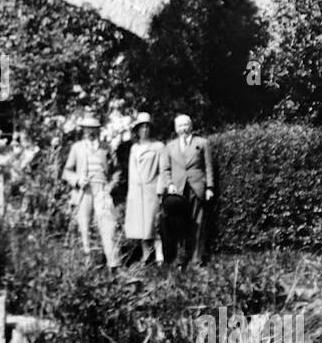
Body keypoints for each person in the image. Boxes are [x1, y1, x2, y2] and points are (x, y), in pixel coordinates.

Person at [62, 111, 119, 268]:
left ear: (98, 130)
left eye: (93, 128)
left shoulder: (106, 148)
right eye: (87, 128)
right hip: (84, 191)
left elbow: (117, 171)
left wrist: (110, 186)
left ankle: (112, 264)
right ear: (83, 130)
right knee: (84, 226)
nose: (90, 132)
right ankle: (88, 263)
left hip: (102, 190)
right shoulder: (77, 148)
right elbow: (66, 171)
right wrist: (78, 180)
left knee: (108, 226)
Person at [159, 114, 215, 267]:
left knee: (198, 223)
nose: (183, 129)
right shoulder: (169, 146)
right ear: (176, 129)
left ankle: (196, 259)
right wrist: (169, 184)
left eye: (186, 125)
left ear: (191, 126)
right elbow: (165, 169)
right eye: (180, 126)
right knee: (178, 225)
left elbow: (208, 167)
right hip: (178, 191)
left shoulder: (202, 143)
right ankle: (180, 257)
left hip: (197, 188)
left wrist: (209, 187)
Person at [124, 112, 164, 265]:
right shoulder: (134, 148)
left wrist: (160, 190)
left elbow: (163, 170)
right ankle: (146, 256)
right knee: (141, 226)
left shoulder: (158, 146)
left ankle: (160, 257)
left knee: (154, 225)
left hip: (151, 191)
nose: (145, 130)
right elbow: (131, 172)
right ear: (137, 130)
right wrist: (131, 192)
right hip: (136, 192)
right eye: (142, 127)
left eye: (147, 126)